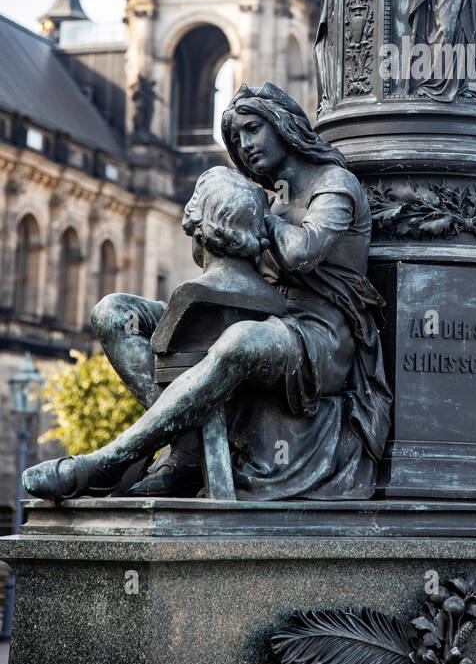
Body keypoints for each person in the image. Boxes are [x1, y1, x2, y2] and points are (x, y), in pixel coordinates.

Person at [24, 83, 391, 502]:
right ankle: (191, 448)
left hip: (320, 340)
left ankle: (108, 463)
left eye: (253, 129)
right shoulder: (271, 200)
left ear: (283, 125)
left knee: (240, 342)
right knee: (114, 312)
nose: (246, 145)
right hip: (256, 313)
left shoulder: (334, 183)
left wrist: (250, 211)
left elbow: (300, 253)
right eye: (236, 138)